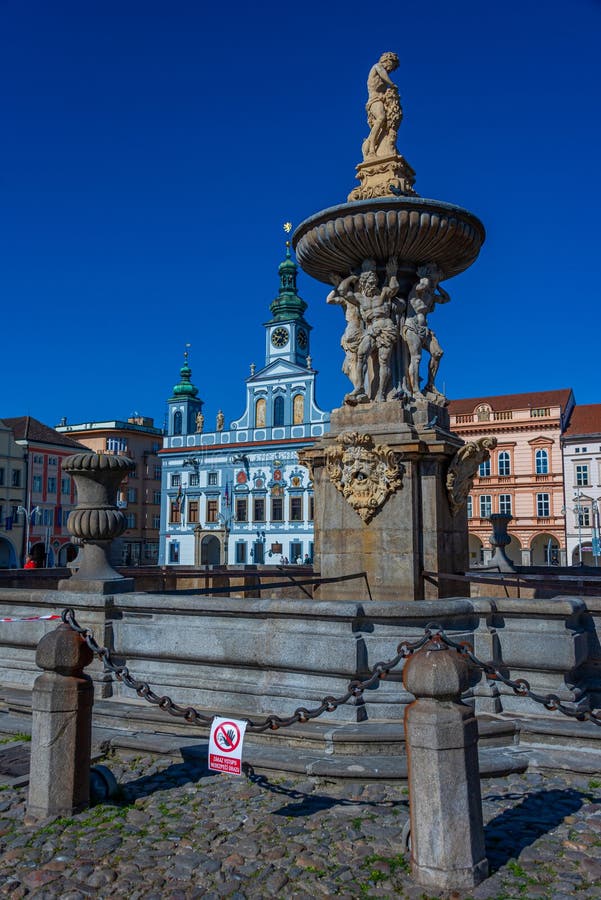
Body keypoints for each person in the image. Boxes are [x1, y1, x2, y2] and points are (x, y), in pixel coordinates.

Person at [402, 264, 450, 400]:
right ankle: (415, 390)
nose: (434, 281)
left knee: (438, 353)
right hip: (412, 326)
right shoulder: (416, 290)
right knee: (416, 358)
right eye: (434, 277)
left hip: (425, 329)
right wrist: (425, 277)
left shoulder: (430, 295)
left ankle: (430, 385)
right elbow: (422, 286)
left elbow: (446, 299)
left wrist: (437, 285)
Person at [363, 52, 401, 159]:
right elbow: (383, 74)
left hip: (380, 100)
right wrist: (392, 84)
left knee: (386, 124)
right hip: (374, 100)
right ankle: (371, 149)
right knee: (381, 117)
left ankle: (382, 145)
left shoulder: (384, 77)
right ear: (387, 61)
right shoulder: (377, 67)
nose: (391, 70)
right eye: (392, 66)